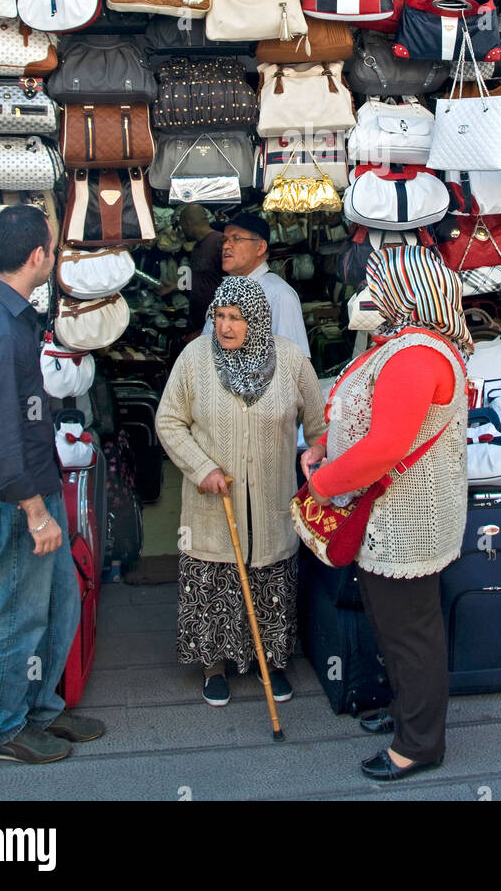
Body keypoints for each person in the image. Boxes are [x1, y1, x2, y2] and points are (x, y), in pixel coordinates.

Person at [0, 205, 105, 763]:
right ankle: (0, 729)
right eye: (52, 249)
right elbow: (0, 434)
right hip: (15, 496)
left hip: (31, 482)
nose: (53, 257)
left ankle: (39, 711)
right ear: (38, 256)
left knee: (58, 600)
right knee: (14, 610)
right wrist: (35, 511)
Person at [301, 245, 470, 782]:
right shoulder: (407, 344)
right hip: (392, 514)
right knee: (396, 626)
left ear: (408, 290)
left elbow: (385, 445)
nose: (370, 294)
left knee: (410, 631)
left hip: (406, 519)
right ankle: (407, 715)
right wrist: (329, 441)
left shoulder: (416, 354)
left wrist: (325, 484)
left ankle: (419, 744)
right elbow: (373, 414)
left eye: (380, 283)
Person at [156, 275, 325, 707]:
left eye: (236, 318)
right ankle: (213, 666)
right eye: (220, 316)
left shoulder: (289, 360)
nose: (225, 326)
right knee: (214, 578)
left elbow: (319, 423)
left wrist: (318, 450)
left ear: (258, 319)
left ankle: (272, 662)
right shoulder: (194, 358)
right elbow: (169, 420)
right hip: (214, 502)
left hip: (271, 500)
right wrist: (202, 467)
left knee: (270, 578)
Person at [200, 211, 311, 356]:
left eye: (236, 238)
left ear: (260, 248)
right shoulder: (226, 292)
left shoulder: (278, 295)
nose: (226, 246)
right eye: (224, 240)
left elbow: (295, 363)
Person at [175, 203, 225, 335]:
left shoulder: (219, 242)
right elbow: (202, 279)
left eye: (182, 226)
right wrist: (174, 286)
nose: (182, 230)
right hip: (196, 325)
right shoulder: (197, 247)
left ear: (188, 223)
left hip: (213, 327)